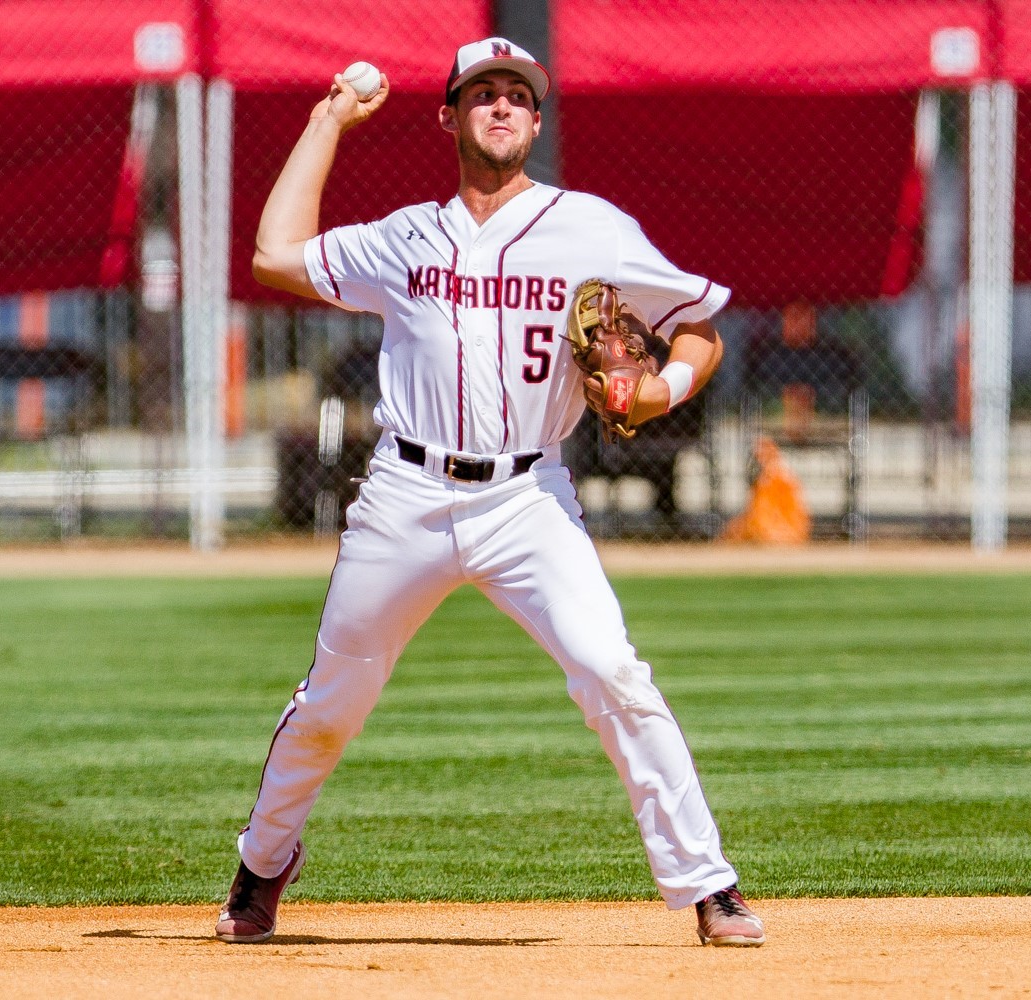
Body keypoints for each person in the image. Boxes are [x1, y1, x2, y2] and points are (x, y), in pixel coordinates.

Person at [218, 37, 765, 948]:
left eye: (518, 94)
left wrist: (661, 390)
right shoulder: (404, 238)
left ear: (537, 120)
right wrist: (327, 122)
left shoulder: (590, 227)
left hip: (528, 499)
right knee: (332, 701)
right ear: (450, 117)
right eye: (483, 94)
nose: (502, 106)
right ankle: (264, 863)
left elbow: (697, 326)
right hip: (406, 494)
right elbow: (275, 254)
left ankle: (709, 884)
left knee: (612, 671)